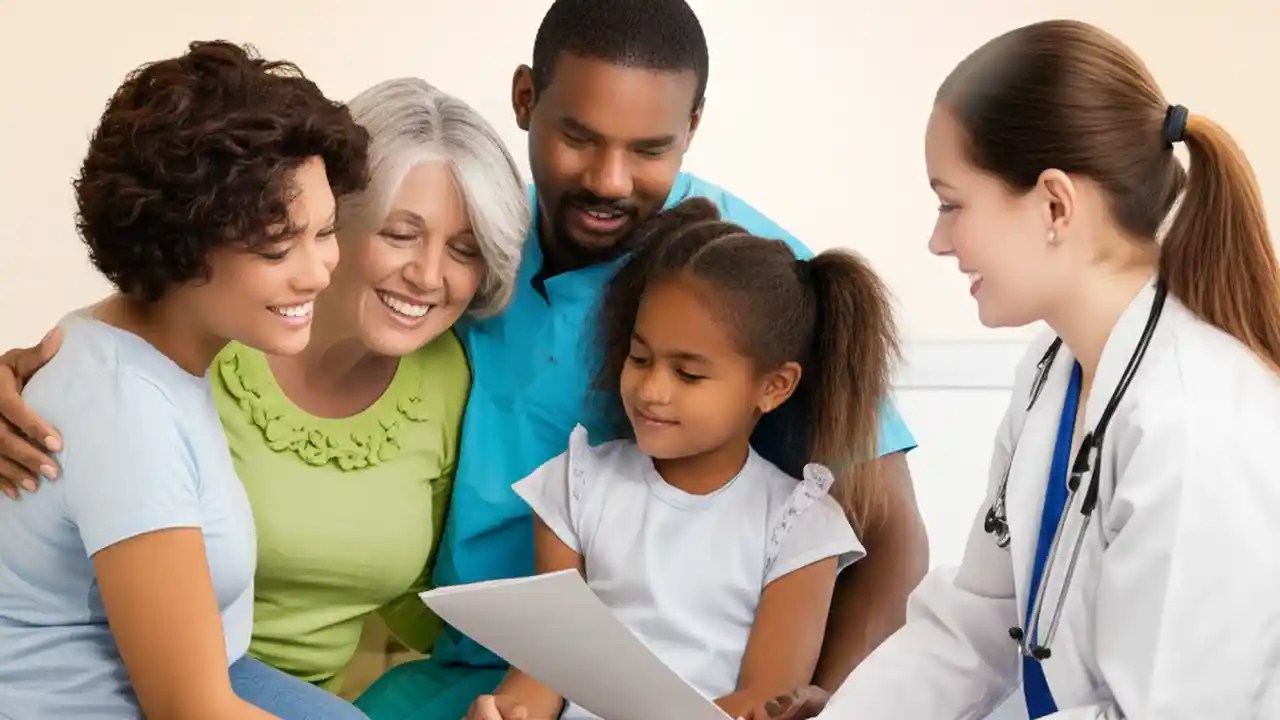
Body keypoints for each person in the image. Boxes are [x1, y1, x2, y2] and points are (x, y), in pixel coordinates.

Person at [0, 0, 929, 714]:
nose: (610, 180)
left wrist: (827, 701)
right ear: (527, 99)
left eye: (649, 149)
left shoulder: (732, 274)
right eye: (577, 136)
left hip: (629, 683)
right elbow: (188, 281)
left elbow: (890, 539)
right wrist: (42, 372)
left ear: (693, 129)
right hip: (464, 671)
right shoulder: (454, 232)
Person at [755, 19, 1280, 720]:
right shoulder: (1051, 371)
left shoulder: (1195, 422)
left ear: (1055, 204)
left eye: (951, 203)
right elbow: (980, 618)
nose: (938, 241)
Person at [0, 72, 530, 702]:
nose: (427, 274)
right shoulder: (174, 362)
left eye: (465, 249)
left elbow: (424, 598)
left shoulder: (442, 376)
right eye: (400, 233)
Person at [0, 41, 372, 718]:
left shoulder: (139, 347)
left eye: (325, 231)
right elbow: (193, 712)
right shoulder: (126, 415)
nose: (318, 271)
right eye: (277, 247)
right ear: (180, 243)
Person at [467, 197, 896, 720]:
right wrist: (507, 713)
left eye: (688, 374)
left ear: (774, 386)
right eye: (640, 357)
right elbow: (542, 672)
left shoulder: (801, 526)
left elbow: (763, 699)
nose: (651, 390)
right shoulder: (575, 486)